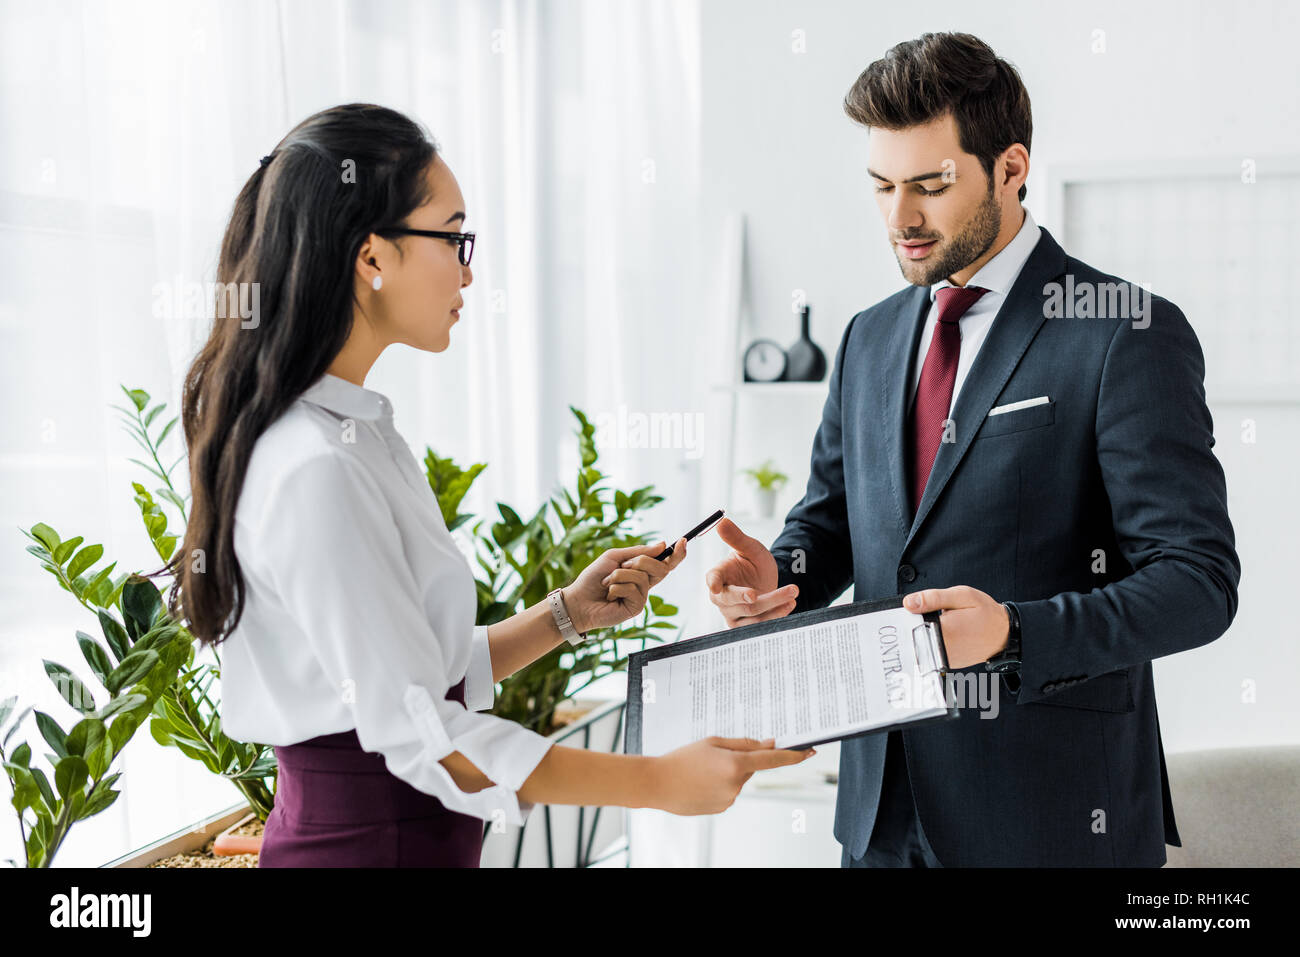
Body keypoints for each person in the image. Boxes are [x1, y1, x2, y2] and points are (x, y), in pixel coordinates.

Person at [166, 103, 813, 867]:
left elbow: (412, 677)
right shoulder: (317, 466)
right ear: (372, 256)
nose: (469, 268)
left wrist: (568, 613)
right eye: (453, 236)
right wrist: (658, 780)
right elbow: (422, 736)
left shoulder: (352, 433)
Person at [704, 33, 1239, 867]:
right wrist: (786, 576)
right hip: (880, 813)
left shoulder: (1122, 332)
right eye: (881, 185)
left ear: (1011, 168)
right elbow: (835, 518)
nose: (900, 217)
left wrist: (1012, 633)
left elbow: (1198, 583)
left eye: (929, 185)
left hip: (1053, 820)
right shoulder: (870, 337)